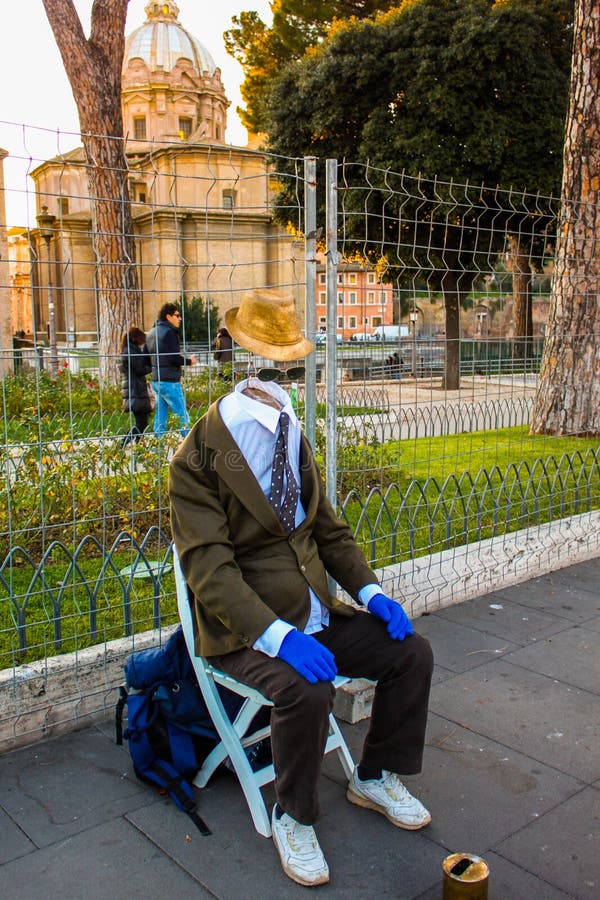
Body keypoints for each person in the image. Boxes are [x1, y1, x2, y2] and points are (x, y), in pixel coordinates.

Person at [169, 289, 433, 888]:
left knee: (411, 653)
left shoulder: (289, 430)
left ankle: (374, 776)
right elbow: (210, 571)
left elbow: (328, 531)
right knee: (307, 692)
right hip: (246, 629)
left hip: (316, 610)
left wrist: (370, 593)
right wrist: (278, 637)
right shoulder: (198, 459)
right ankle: (294, 815)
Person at [145, 303, 196, 436]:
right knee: (182, 415)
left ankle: (158, 448)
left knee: (160, 417)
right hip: (170, 381)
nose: (180, 319)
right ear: (168, 316)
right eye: (177, 315)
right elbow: (174, 357)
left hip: (156, 380)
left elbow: (146, 358)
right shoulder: (169, 333)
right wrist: (189, 361)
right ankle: (189, 446)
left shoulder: (151, 333)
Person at [119, 327, 152, 446]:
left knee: (142, 421)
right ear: (136, 338)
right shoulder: (131, 352)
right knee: (141, 422)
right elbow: (139, 369)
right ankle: (125, 442)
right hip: (136, 390)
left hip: (135, 389)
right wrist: (152, 367)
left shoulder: (130, 350)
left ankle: (138, 443)